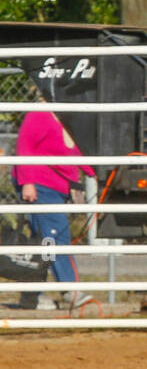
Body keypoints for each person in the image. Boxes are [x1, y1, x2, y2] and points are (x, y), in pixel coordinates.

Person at [13, 106, 95, 311]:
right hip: (40, 187)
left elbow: (75, 154)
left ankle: (31, 296)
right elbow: (25, 147)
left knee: (44, 241)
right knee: (56, 237)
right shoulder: (40, 115)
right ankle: (70, 291)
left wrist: (95, 171)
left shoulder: (67, 119)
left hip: (56, 189)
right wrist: (28, 182)